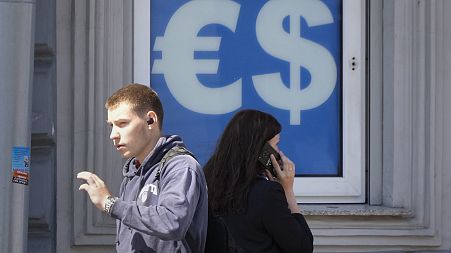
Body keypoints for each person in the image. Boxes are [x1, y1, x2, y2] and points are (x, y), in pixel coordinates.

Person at [77, 83, 208, 253]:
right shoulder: (132, 174)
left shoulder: (180, 166)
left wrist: (110, 203)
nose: (113, 135)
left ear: (150, 120)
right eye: (111, 125)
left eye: (122, 123)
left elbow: (172, 222)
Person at [204, 109, 313, 253]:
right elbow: (302, 247)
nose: (279, 153)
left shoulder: (208, 182)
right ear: (261, 150)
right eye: (276, 144)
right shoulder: (267, 193)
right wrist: (287, 190)